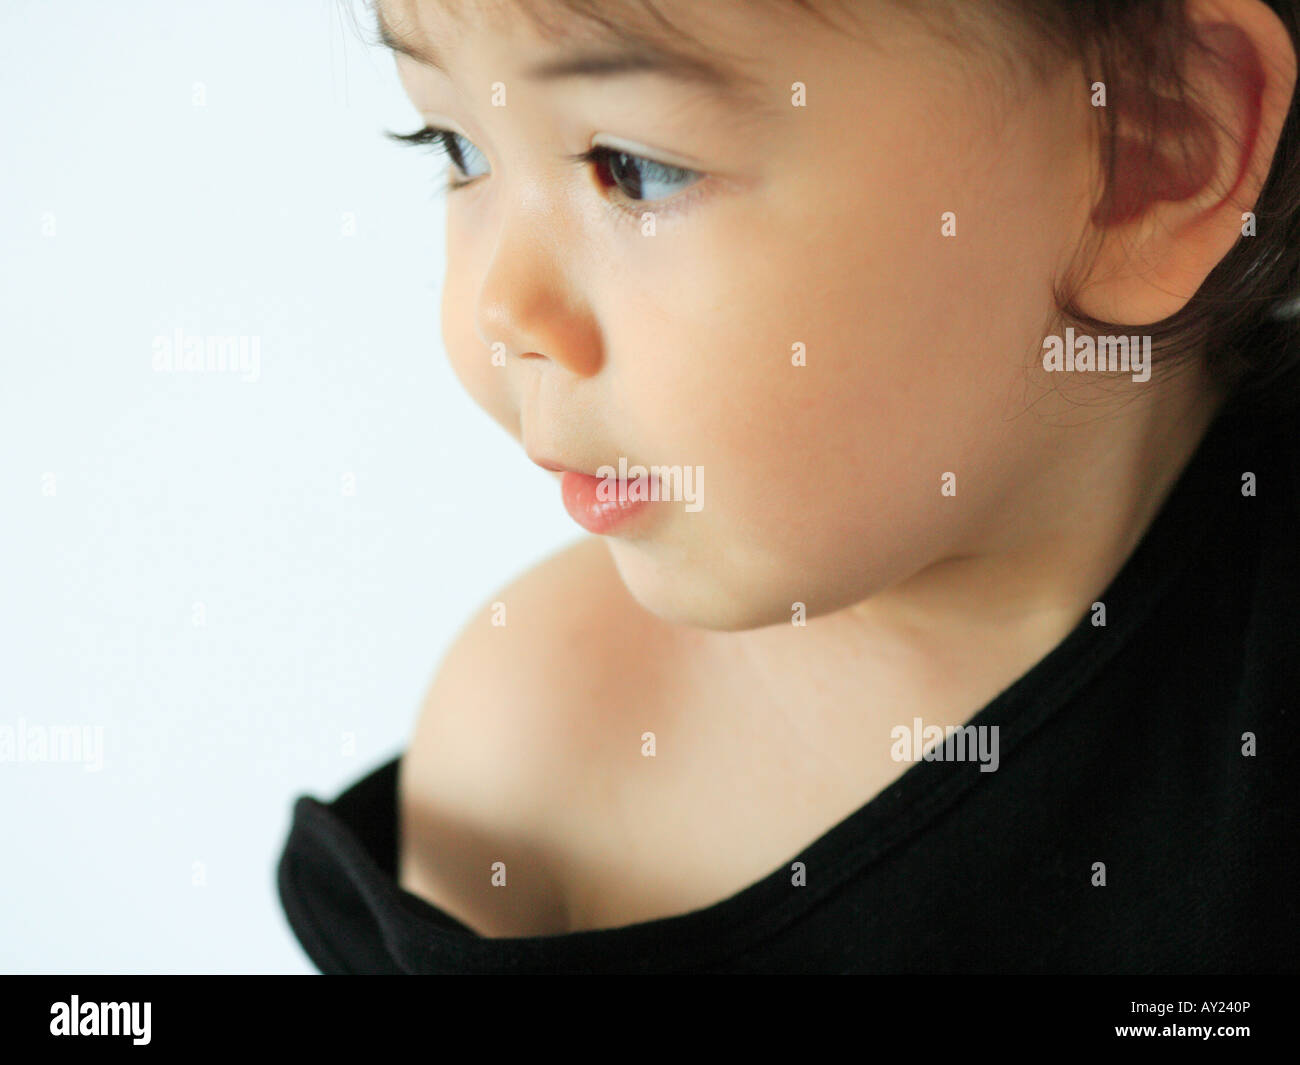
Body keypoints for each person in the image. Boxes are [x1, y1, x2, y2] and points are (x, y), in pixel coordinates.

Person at [277, 0, 1300, 973]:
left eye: (633, 169)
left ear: (1154, 144)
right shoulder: (533, 760)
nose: (501, 310)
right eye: (456, 148)